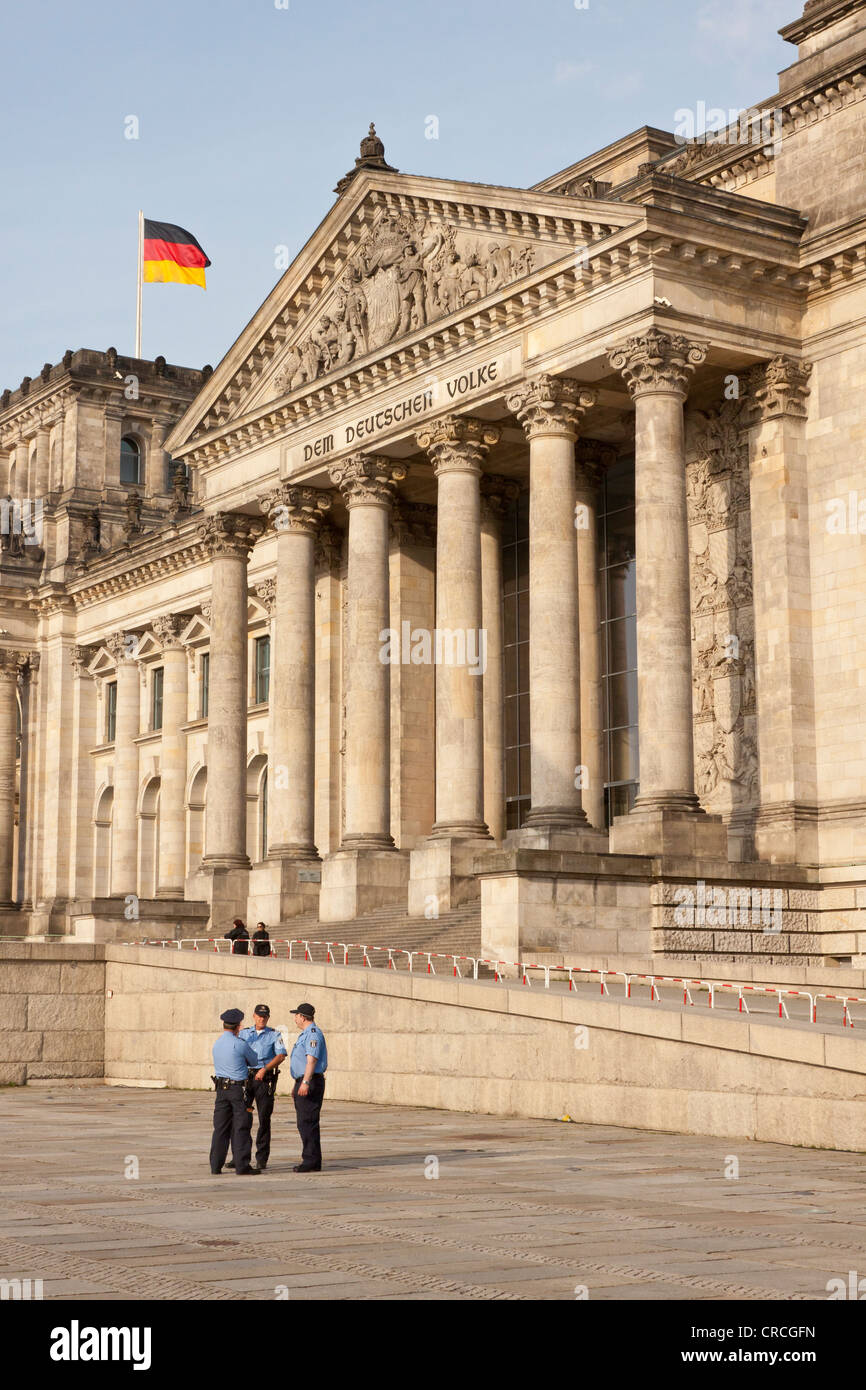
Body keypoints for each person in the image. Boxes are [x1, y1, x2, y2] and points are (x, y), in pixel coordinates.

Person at [226, 1005, 286, 1172]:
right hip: (246, 1078)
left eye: (265, 1016)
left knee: (264, 1119)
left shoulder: (274, 1034)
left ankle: (261, 1158)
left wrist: (265, 1069)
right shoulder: (244, 1034)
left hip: (263, 1079)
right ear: (253, 1016)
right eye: (259, 1016)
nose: (262, 1019)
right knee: (241, 1118)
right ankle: (238, 1156)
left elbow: (281, 1054)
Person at [209, 1009, 263, 1177]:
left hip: (221, 1090)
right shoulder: (239, 1043)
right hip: (237, 1090)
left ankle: (216, 1165)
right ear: (238, 1026)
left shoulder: (217, 1043)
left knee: (220, 1128)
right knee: (241, 1127)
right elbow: (254, 1061)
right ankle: (242, 1165)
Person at [289, 1002, 328, 1173]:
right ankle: (312, 1159)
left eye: (296, 1015)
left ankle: (311, 1160)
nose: (295, 1018)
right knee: (304, 1122)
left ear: (303, 1017)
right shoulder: (305, 1034)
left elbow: (311, 1060)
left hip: (310, 1081)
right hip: (304, 1080)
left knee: (307, 1122)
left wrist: (305, 1082)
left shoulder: (312, 1034)